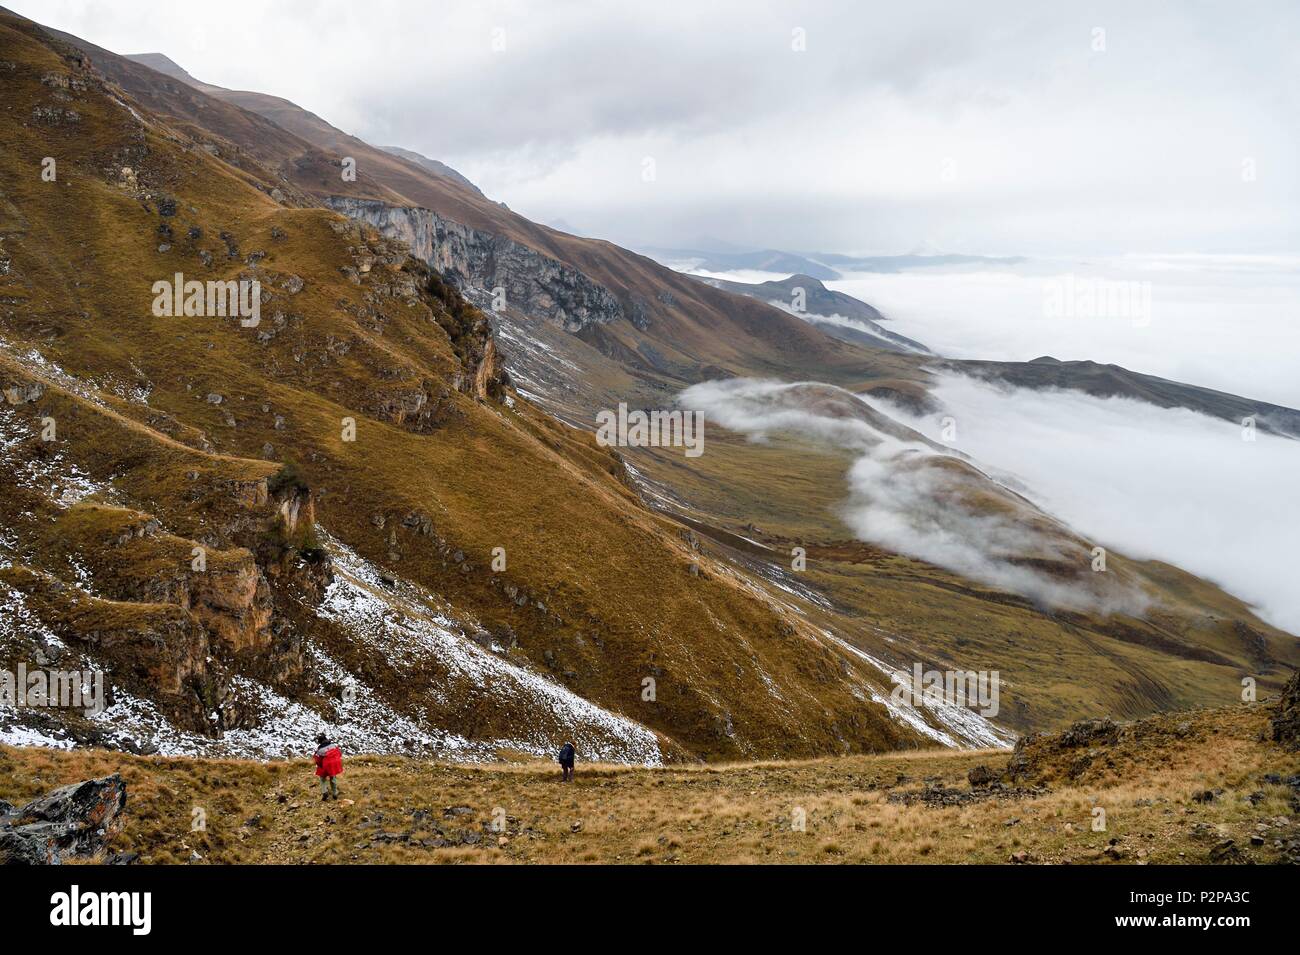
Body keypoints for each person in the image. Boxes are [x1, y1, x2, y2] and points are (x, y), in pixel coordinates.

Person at [313, 733, 343, 801]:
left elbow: (318, 760)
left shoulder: (320, 750)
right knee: (333, 777)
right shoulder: (333, 745)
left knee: (322, 778)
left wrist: (320, 766)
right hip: (335, 764)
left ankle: (324, 792)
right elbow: (339, 753)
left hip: (326, 764)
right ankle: (335, 793)